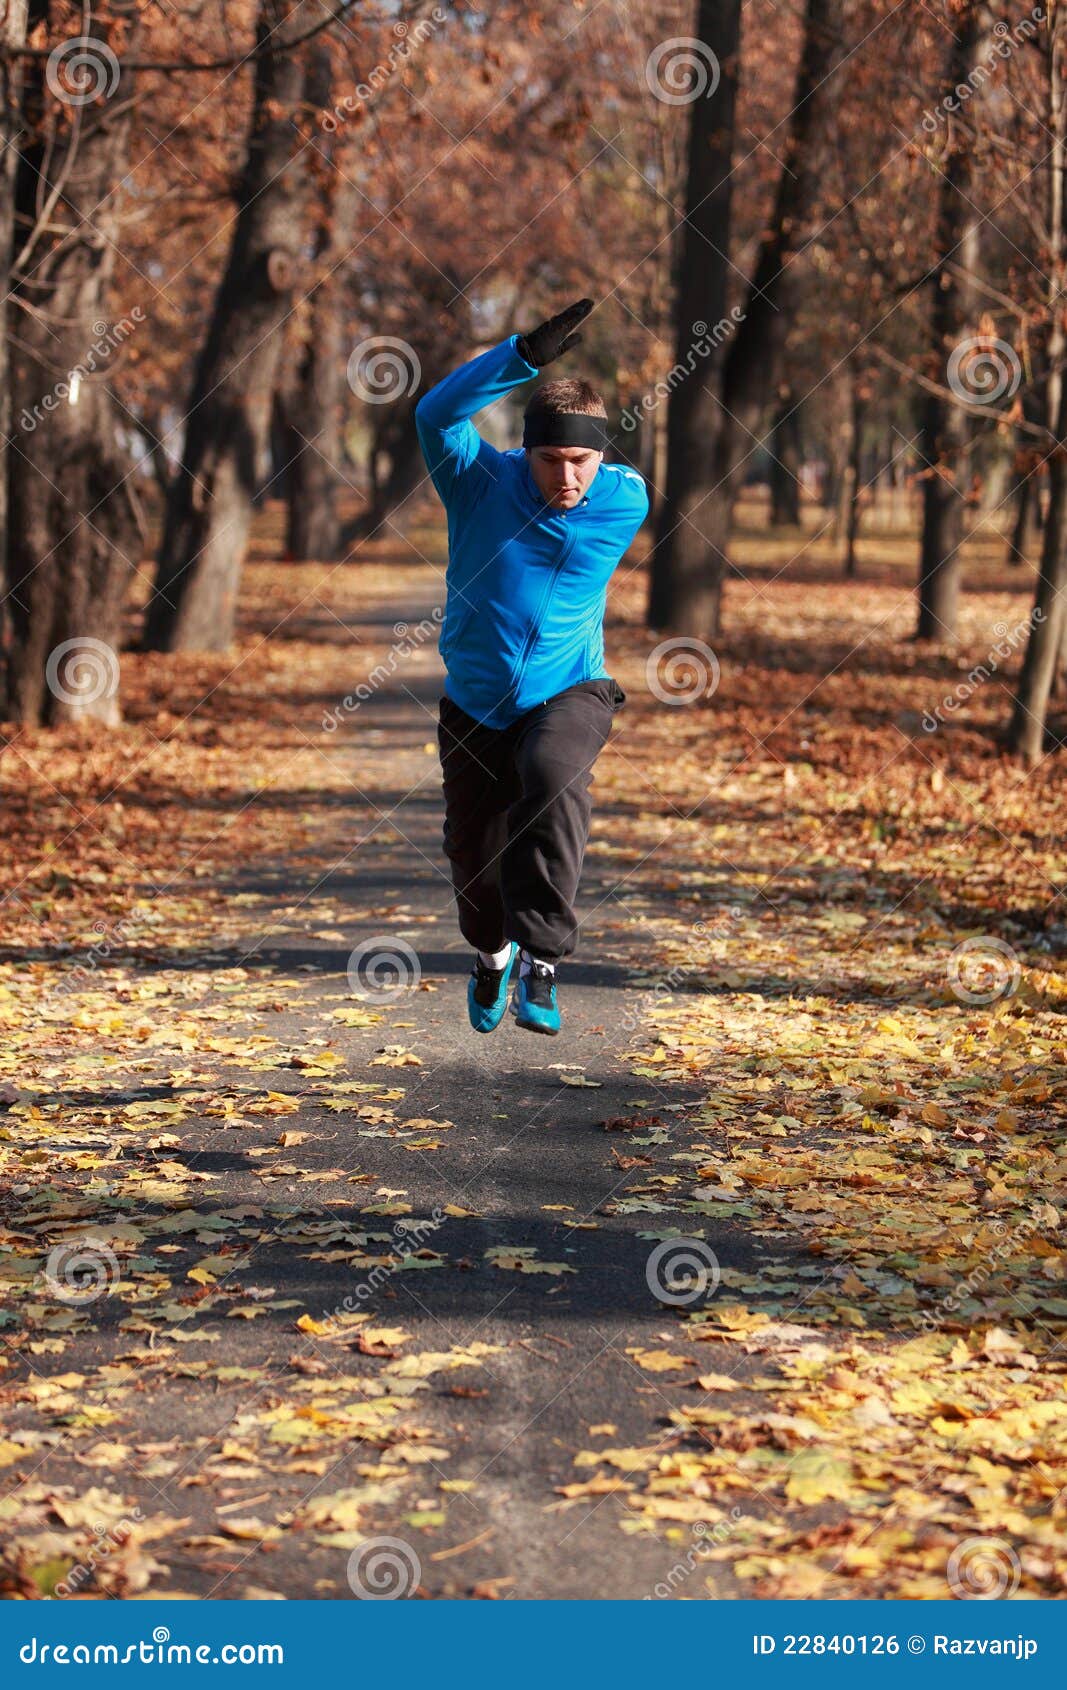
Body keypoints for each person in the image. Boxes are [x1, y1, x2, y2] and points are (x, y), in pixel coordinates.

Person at [414, 299, 648, 1036]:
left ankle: (542, 960)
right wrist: (518, 355)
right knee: (473, 863)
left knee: (551, 773)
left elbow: (599, 479)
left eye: (582, 460)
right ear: (525, 452)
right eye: (552, 460)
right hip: (474, 705)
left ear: (602, 455)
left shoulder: (622, 500)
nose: (569, 478)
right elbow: (434, 414)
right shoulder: (477, 482)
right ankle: (492, 956)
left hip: (570, 688)